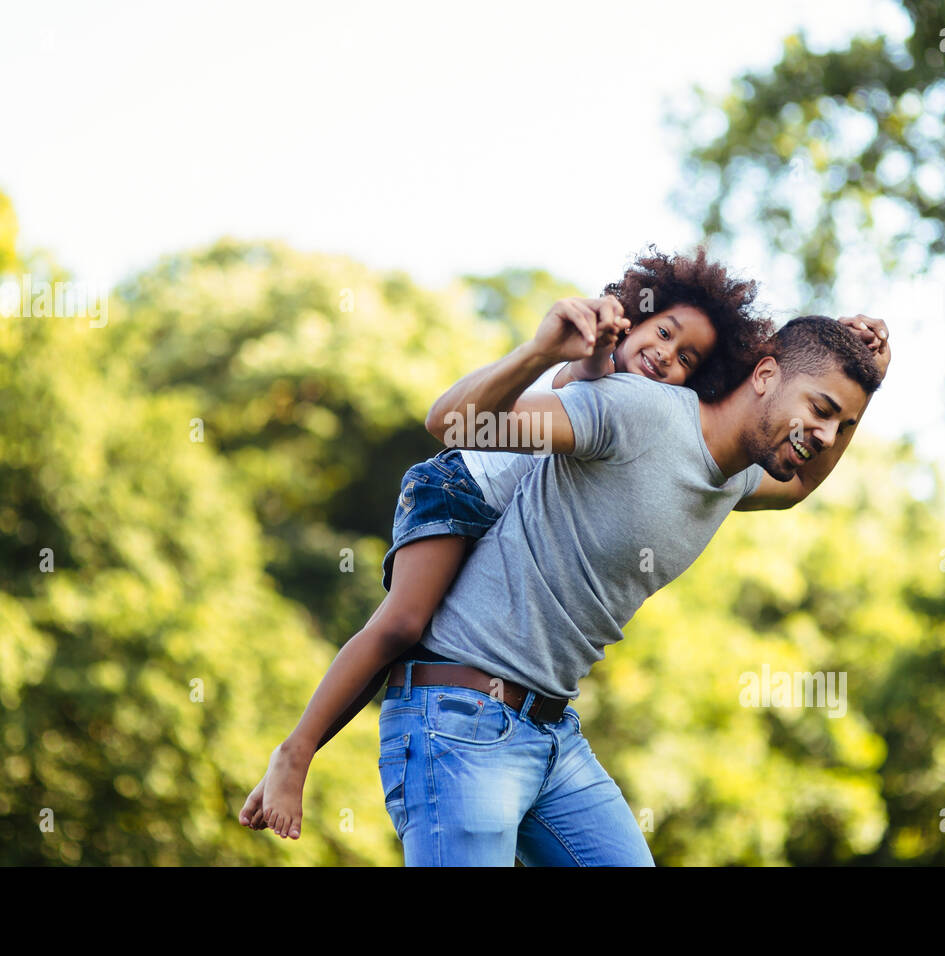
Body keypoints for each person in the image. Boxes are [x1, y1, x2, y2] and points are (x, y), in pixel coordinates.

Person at [238, 248, 776, 838]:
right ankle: (296, 750)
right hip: (458, 488)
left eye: (686, 360)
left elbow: (788, 482)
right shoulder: (590, 378)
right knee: (401, 626)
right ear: (632, 320)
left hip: (500, 525)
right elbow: (579, 376)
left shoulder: (648, 416)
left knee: (422, 638)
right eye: (663, 333)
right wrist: (590, 341)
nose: (665, 356)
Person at [373, 293, 890, 865]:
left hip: (550, 733)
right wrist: (540, 350)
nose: (825, 434)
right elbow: (454, 423)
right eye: (821, 408)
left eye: (842, 425)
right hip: (459, 720)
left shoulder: (738, 476)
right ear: (766, 374)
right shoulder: (638, 410)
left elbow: (800, 488)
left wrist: (867, 394)